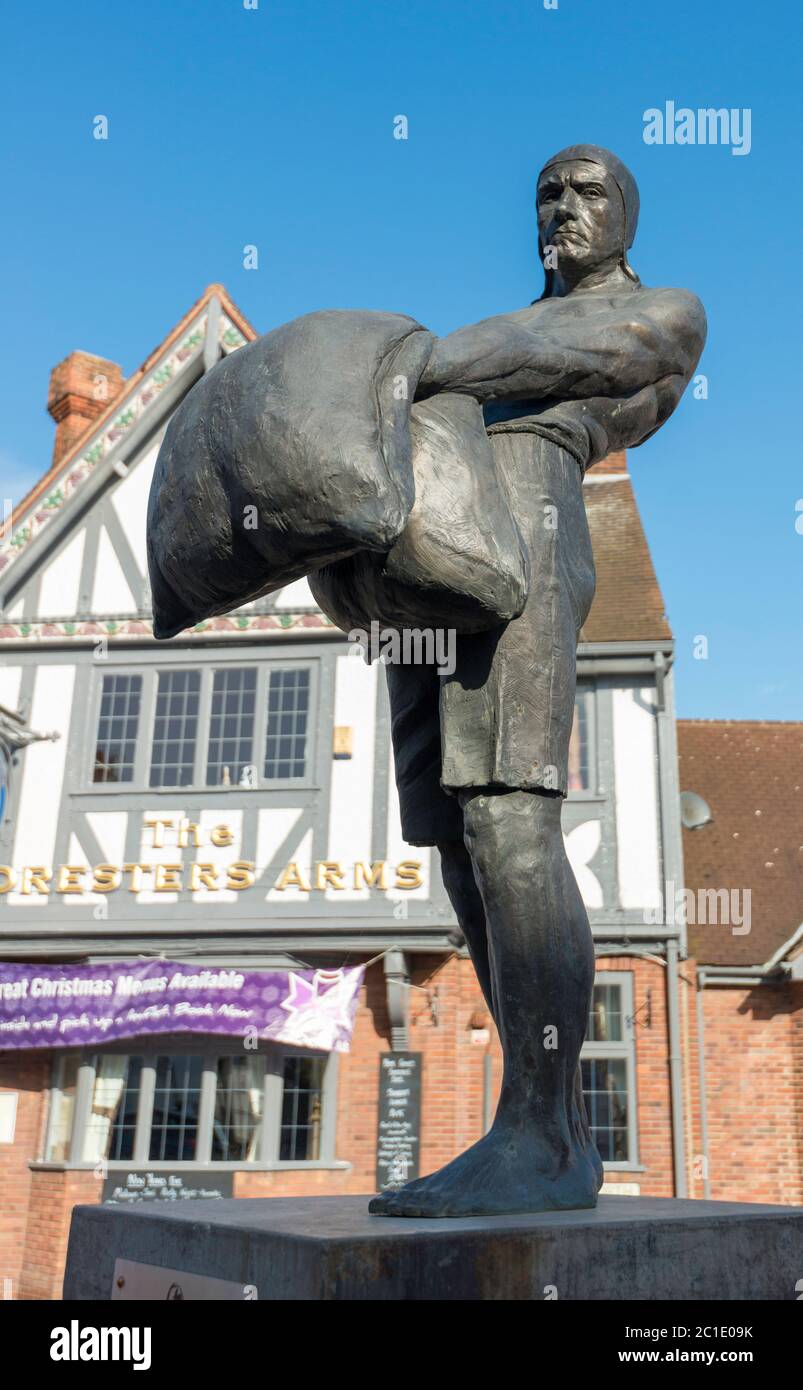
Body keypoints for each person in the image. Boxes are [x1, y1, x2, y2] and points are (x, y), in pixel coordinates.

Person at [369, 145, 706, 1217]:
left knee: (511, 815)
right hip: (430, 556)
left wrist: (394, 370)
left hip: (525, 523)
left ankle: (546, 1133)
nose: (561, 206)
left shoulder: (658, 313)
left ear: (624, 217)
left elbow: (520, 354)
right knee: (455, 834)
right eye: (546, 193)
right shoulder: (474, 342)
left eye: (586, 191)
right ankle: (525, 1120)